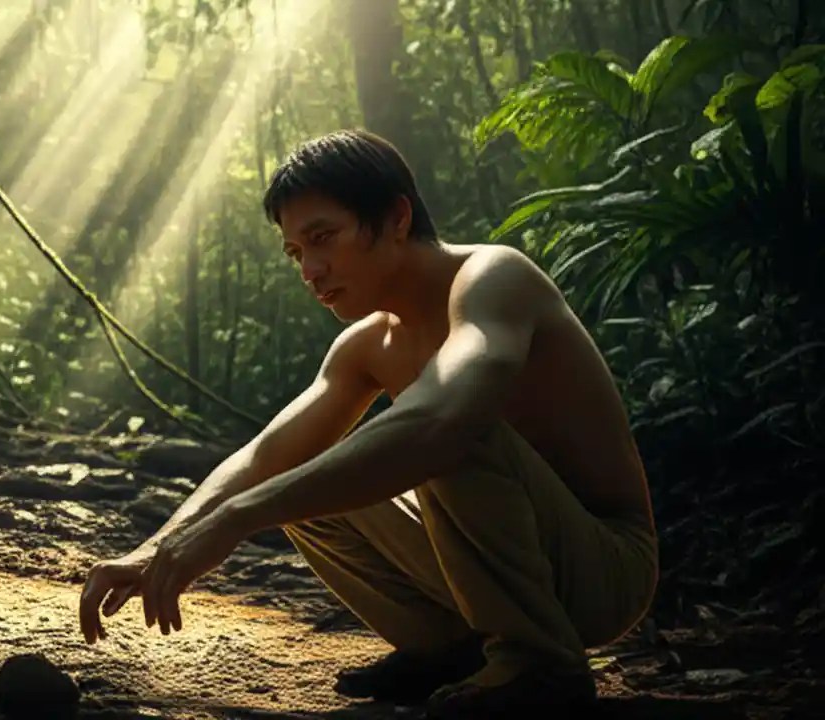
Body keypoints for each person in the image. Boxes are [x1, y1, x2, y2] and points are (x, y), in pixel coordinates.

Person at [77, 129, 658, 715]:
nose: (310, 268)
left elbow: (444, 420)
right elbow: (264, 457)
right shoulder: (368, 343)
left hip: (605, 569)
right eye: (296, 252)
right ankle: (451, 650)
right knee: (296, 468)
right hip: (500, 572)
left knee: (445, 425)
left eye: (323, 238)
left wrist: (240, 518)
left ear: (396, 217)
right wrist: (157, 549)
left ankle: (538, 663)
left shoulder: (493, 278)